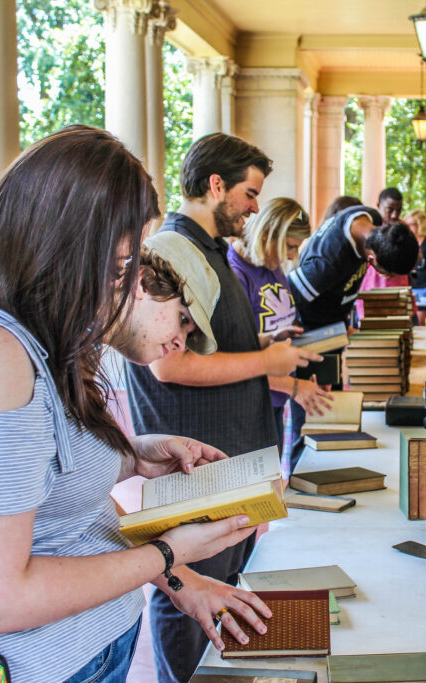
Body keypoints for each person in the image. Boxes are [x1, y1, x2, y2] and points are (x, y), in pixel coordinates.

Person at [0, 126, 271, 682]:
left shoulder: (38, 340)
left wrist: (133, 455)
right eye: (120, 268)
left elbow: (63, 520)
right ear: (68, 248)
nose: (129, 289)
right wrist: (169, 555)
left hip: (90, 647)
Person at [124, 132, 320, 683]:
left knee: (222, 590)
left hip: (226, 466)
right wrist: (268, 361)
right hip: (195, 467)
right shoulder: (173, 251)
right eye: (250, 193)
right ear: (216, 186)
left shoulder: (208, 252)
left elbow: (215, 346)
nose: (256, 207)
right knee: (189, 595)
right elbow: (169, 365)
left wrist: (270, 351)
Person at [229, 197, 334, 463]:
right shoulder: (236, 273)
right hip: (249, 406)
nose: (292, 256)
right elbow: (233, 358)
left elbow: (274, 327)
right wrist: (292, 386)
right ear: (269, 234)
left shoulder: (271, 265)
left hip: (276, 398)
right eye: (289, 246)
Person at [288, 205, 419, 331]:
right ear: (374, 259)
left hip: (337, 327)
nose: (387, 277)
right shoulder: (325, 265)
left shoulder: (370, 218)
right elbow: (285, 296)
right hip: (316, 335)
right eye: (388, 274)